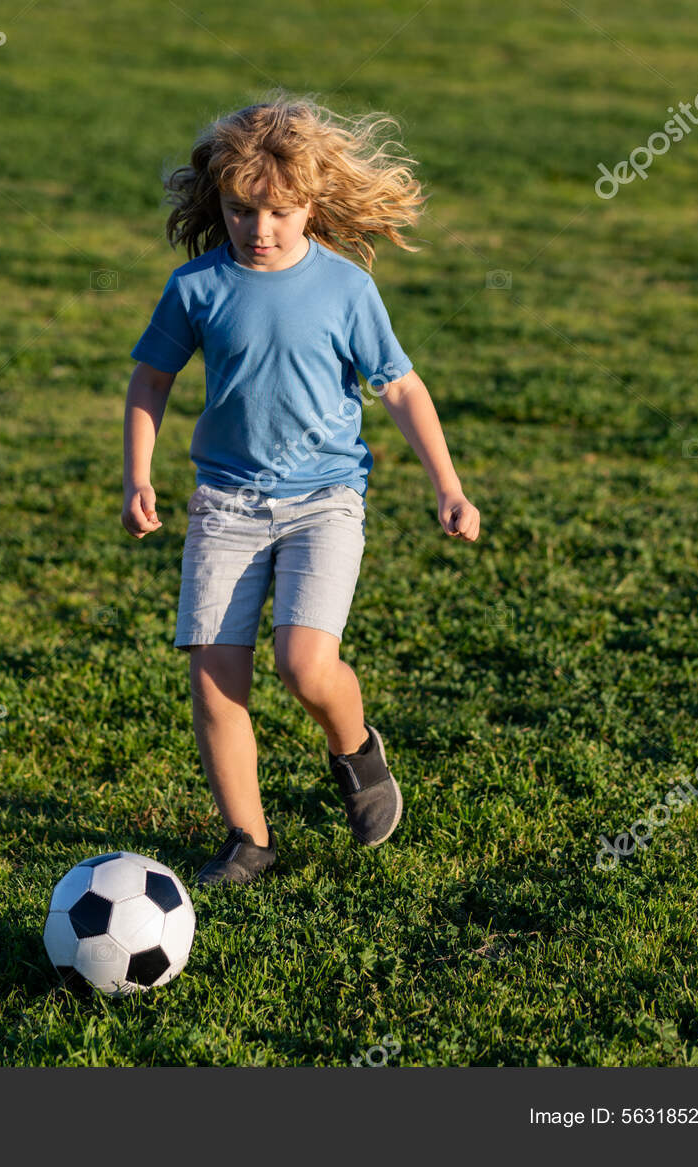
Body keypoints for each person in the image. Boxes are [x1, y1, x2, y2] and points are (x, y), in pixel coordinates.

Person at [121, 91, 480, 887]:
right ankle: (249, 840)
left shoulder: (347, 289)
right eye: (242, 210)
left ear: (311, 203)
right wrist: (137, 474)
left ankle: (354, 750)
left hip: (326, 499)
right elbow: (150, 380)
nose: (260, 228)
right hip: (226, 502)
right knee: (215, 679)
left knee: (306, 665)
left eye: (279, 211)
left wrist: (448, 487)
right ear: (220, 201)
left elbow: (402, 390)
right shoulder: (196, 287)